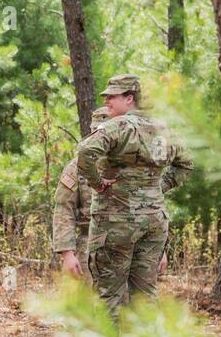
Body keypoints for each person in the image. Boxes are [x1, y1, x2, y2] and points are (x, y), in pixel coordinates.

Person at [77, 74, 192, 316]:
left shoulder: (118, 126)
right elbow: (187, 164)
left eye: (112, 96)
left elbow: (86, 151)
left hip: (116, 221)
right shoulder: (164, 129)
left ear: (129, 98)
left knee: (108, 293)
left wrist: (97, 184)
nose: (107, 100)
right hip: (154, 221)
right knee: (145, 295)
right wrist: (157, 189)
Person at [53, 105, 111, 281]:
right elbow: (63, 209)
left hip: (129, 245)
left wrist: (158, 249)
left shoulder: (131, 165)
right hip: (90, 246)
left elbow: (150, 206)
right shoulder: (77, 167)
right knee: (91, 305)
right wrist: (67, 254)